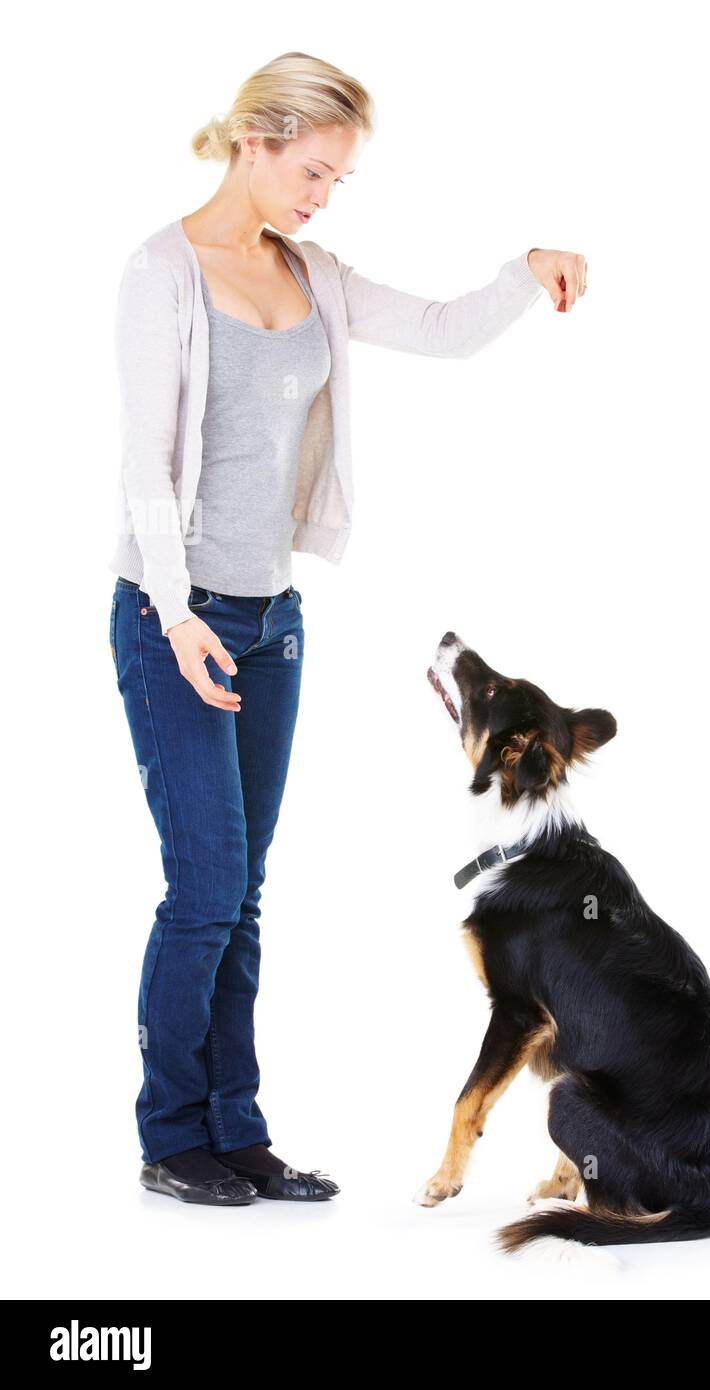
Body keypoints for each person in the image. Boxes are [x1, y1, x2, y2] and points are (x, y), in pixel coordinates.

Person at [108, 49, 588, 1206]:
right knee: (204, 888)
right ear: (254, 141)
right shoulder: (160, 271)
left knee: (246, 889)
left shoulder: (310, 272)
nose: (322, 198)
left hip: (271, 621)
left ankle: (238, 1128)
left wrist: (526, 270)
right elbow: (143, 462)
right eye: (313, 171)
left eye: (338, 182)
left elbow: (438, 327)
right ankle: (172, 1134)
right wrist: (175, 617)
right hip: (175, 619)